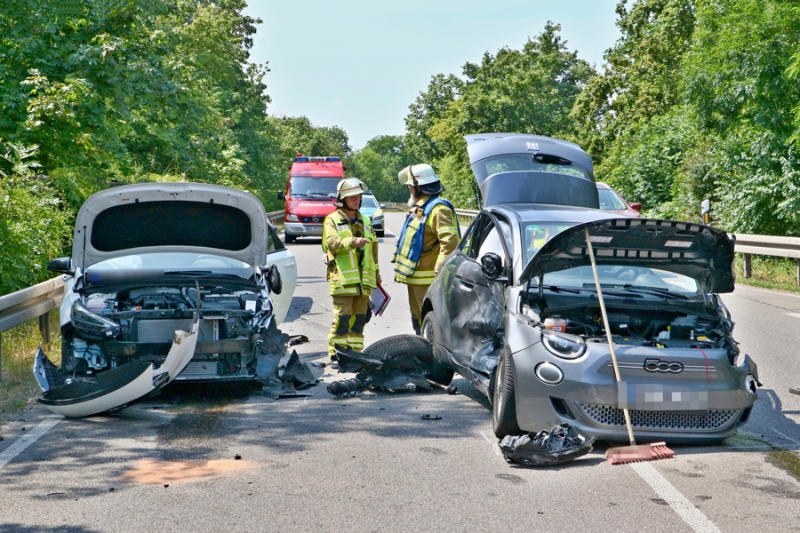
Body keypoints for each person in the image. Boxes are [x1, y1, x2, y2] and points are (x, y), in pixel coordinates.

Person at [393, 164, 460, 334]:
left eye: (410, 186)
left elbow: (450, 242)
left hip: (429, 280)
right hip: (416, 280)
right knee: (419, 321)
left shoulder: (438, 209)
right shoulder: (420, 209)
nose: (409, 189)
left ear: (417, 188)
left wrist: (439, 270)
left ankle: (432, 356)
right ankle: (422, 352)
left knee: (432, 323)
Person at [322, 178, 381, 368]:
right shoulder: (332, 220)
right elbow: (331, 243)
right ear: (342, 199)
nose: (356, 200)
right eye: (352, 197)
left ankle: (355, 355)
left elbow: (373, 250)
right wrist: (352, 242)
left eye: (358, 197)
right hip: (344, 280)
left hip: (364, 281)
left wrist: (377, 275)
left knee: (360, 319)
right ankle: (337, 355)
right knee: (343, 318)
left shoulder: (365, 219)